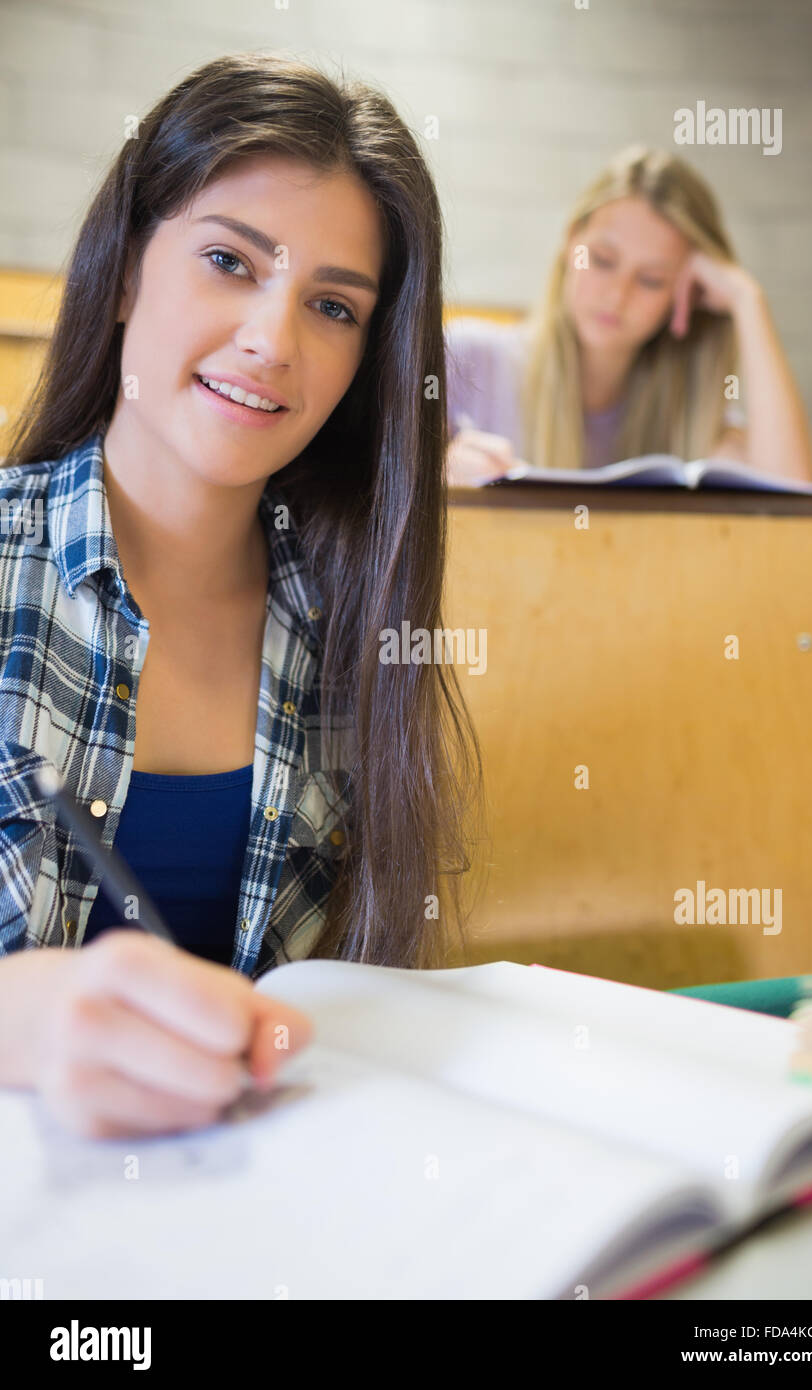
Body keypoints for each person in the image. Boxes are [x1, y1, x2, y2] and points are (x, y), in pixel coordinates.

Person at [0, 54, 480, 1138]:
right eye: (228, 260)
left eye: (332, 305)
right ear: (124, 270)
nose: (273, 340)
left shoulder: (352, 619)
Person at [446, 145, 812, 486]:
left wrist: (747, 301)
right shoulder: (464, 361)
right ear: (570, 241)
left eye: (651, 280)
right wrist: (440, 478)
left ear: (686, 295)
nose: (616, 296)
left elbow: (796, 512)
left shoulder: (689, 415)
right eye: (603, 261)